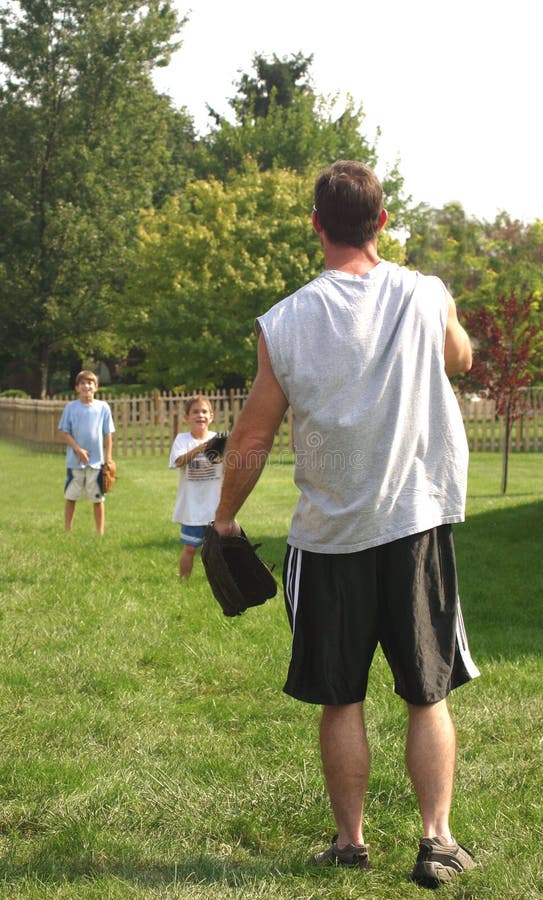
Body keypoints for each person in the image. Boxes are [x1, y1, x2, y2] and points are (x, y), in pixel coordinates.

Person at [211, 160, 480, 887]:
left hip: (327, 540)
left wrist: (224, 520)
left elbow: (254, 435)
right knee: (428, 694)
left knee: (341, 698)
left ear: (315, 226)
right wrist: (450, 335)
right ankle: (435, 841)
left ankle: (350, 842)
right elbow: (458, 355)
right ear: (383, 222)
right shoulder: (426, 293)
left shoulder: (286, 321)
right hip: (416, 525)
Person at [169, 395, 224, 579]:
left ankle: (220, 582)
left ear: (211, 416)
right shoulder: (182, 440)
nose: (200, 415)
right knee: (190, 547)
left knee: (219, 551)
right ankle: (184, 581)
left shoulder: (219, 439)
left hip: (216, 507)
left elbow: (231, 464)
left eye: (204, 411)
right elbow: (178, 461)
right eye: (195, 412)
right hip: (192, 507)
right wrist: (200, 449)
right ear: (186, 417)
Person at [58, 370, 116, 535]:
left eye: (90, 383)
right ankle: (67, 530)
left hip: (96, 462)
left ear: (96, 387)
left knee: (98, 499)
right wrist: (78, 450)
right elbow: (64, 431)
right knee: (71, 496)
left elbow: (108, 434)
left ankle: (100, 532)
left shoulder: (103, 407)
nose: (86, 386)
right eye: (82, 383)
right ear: (77, 388)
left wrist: (109, 457)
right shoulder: (71, 407)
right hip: (74, 461)